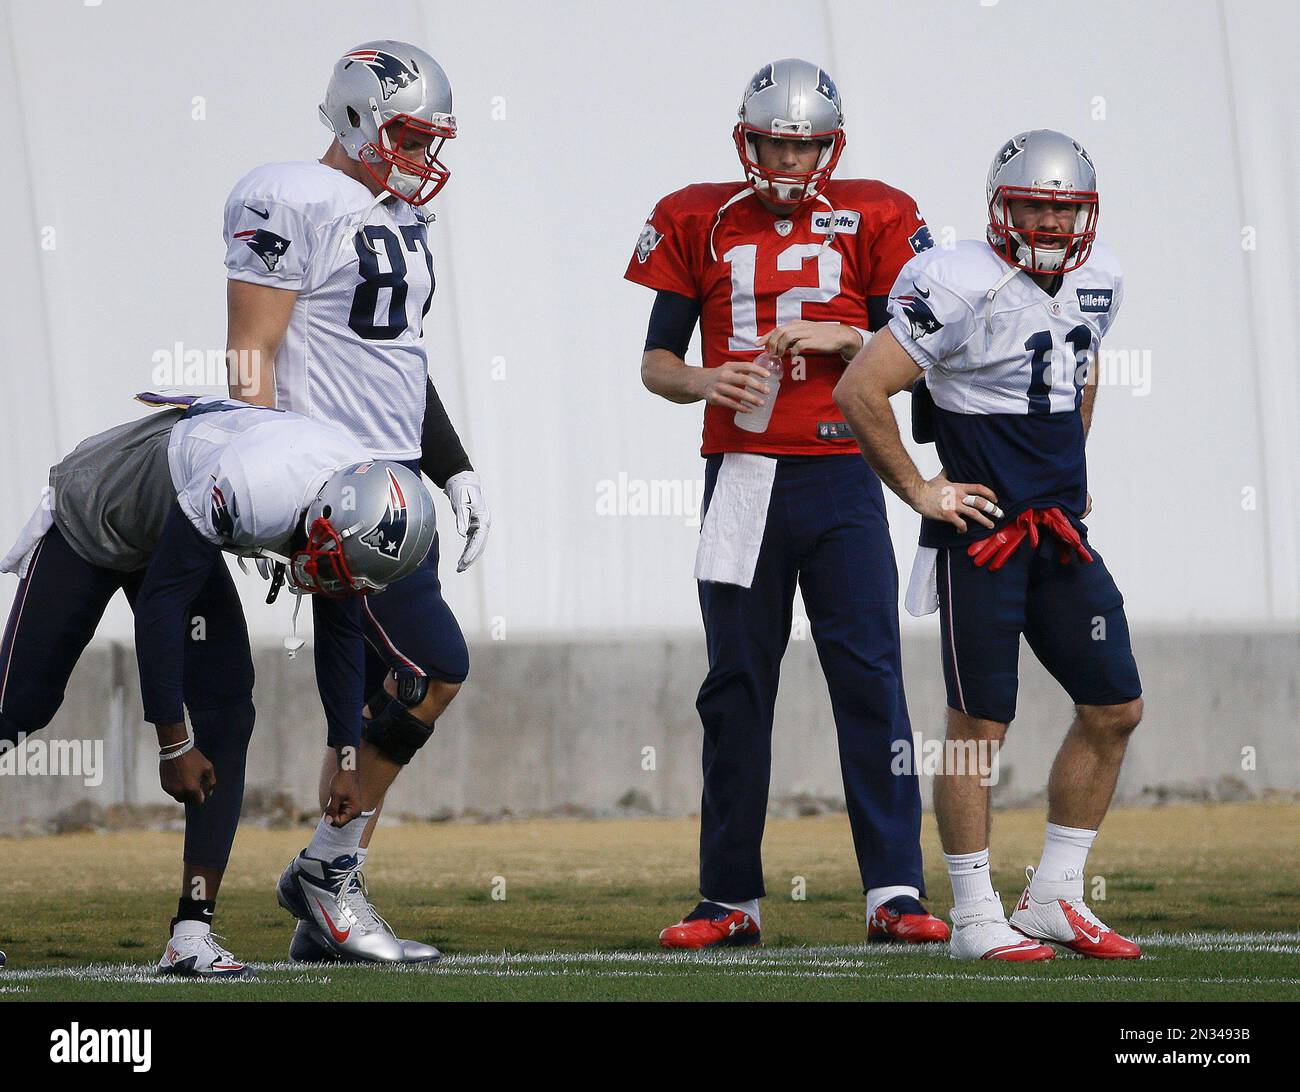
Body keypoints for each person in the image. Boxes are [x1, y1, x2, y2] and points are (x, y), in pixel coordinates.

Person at [625, 58, 948, 948]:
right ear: (746, 136)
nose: (786, 159)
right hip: (743, 478)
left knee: (871, 678)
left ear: (828, 149)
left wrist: (845, 334)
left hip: (845, 471)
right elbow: (655, 363)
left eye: (802, 146)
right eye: (773, 140)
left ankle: (895, 892)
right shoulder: (696, 214)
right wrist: (701, 378)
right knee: (734, 688)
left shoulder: (879, 211)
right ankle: (728, 898)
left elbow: (916, 343)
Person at [833, 129, 1143, 961]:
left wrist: (1074, 469)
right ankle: (974, 915)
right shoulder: (961, 280)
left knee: (1116, 705)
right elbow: (862, 388)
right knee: (978, 726)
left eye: (1062, 206)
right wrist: (922, 490)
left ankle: (1053, 897)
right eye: (1034, 203)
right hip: (984, 535)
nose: (1047, 221)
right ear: (1002, 206)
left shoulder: (1101, 275)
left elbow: (1084, 368)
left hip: (1058, 532)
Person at [0, 395, 438, 974]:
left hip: (180, 524)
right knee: (16, 707)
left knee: (228, 712)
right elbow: (160, 606)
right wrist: (174, 743)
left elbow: (337, 638)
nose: (321, 573)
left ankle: (190, 934)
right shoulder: (254, 489)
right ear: (325, 514)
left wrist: (349, 757)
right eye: (326, 558)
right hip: (101, 509)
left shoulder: (353, 512)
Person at [219, 40, 490, 960]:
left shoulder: (399, 222)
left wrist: (451, 467)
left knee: (379, 690)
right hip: (336, 487)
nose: (422, 154)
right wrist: (261, 479)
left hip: (397, 484)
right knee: (435, 664)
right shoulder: (292, 195)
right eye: (408, 134)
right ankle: (328, 872)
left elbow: (399, 364)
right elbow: (250, 351)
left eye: (431, 138)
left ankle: (329, 898)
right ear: (353, 116)